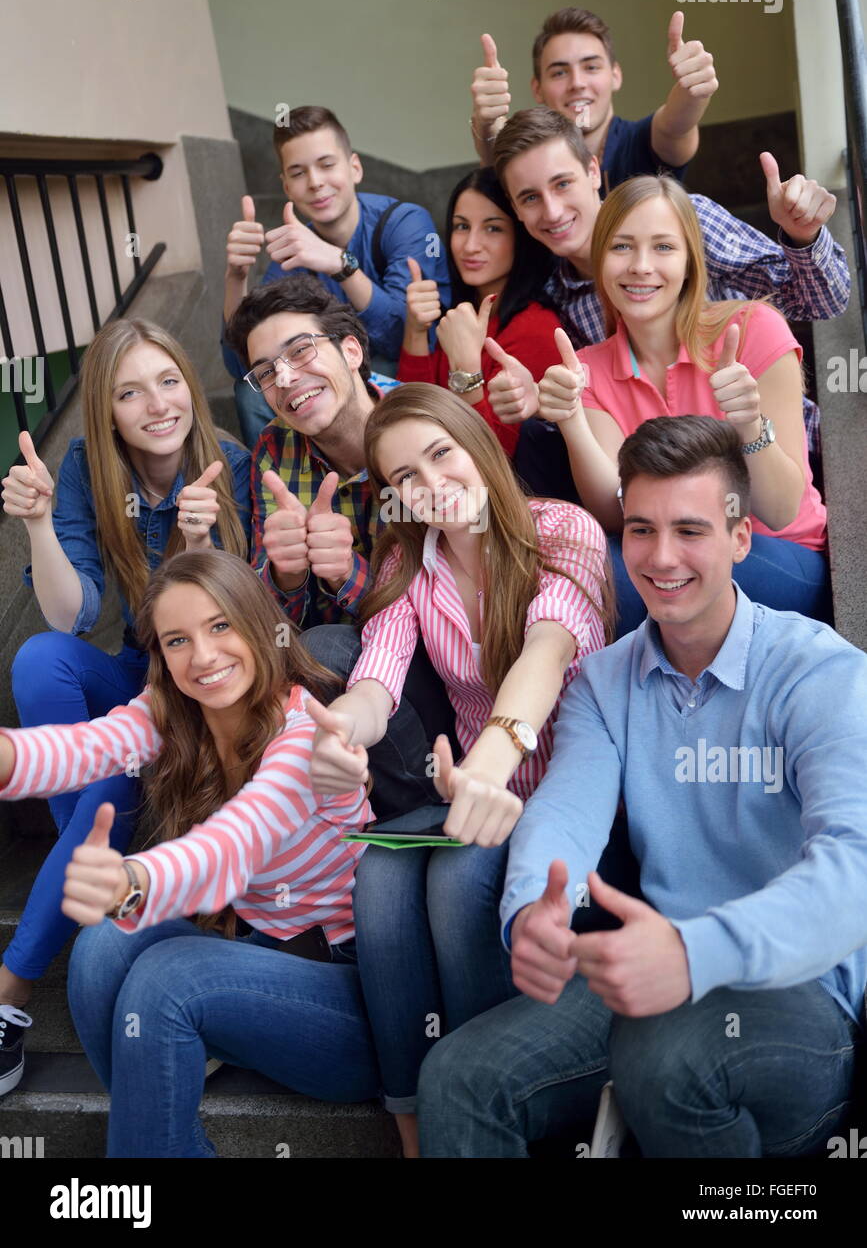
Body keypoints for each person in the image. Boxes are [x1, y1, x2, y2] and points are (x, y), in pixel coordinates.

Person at [417, 415, 867, 1160]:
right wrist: (533, 908)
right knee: (457, 1076)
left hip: (797, 991)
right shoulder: (602, 679)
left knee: (667, 1058)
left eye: (689, 530)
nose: (659, 559)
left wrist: (694, 952)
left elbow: (853, 873)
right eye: (639, 530)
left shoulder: (821, 673)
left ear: (740, 539)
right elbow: (565, 808)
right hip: (651, 972)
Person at [307, 383, 614, 1158]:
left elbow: (548, 649)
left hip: (574, 793)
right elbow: (377, 677)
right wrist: (341, 731)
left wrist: (490, 758)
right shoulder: (413, 563)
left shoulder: (561, 529)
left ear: (475, 441)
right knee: (377, 873)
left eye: (439, 453)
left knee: (455, 880)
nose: (430, 484)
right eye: (404, 477)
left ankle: (494, 1092)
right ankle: (415, 1120)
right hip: (474, 788)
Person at [0, 550, 382, 1153]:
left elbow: (231, 847)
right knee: (102, 945)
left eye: (220, 626)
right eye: (177, 640)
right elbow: (85, 747)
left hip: (348, 1007)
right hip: (250, 970)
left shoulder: (305, 736)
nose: (203, 657)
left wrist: (132, 880)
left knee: (165, 978)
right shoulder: (174, 717)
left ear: (259, 624)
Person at [0, 319, 251, 1075]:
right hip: (139, 679)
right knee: (44, 661)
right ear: (106, 411)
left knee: (111, 769)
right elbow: (69, 614)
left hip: (207, 696)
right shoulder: (85, 468)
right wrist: (40, 524)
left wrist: (199, 548)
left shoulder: (231, 463)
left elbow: (231, 638)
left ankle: (10, 991)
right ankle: (97, 862)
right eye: (129, 391)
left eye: (170, 380)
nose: (157, 404)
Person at [526, 173, 832, 631]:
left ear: (691, 262)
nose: (641, 266)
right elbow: (615, 512)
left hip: (777, 554)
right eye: (622, 247)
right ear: (600, 261)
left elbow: (781, 509)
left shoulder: (754, 329)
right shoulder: (586, 367)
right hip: (667, 553)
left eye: (664, 247)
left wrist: (748, 426)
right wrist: (571, 422)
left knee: (608, 580)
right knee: (594, 565)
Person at [484, 107, 848, 467]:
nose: (552, 211)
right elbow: (600, 414)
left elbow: (823, 304)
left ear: (593, 171)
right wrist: (538, 401)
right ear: (515, 209)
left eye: (562, 183)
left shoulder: (682, 219)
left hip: (783, 455)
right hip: (671, 484)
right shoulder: (555, 296)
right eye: (530, 197)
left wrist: (804, 236)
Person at [225, 275, 459, 823]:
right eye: (266, 372)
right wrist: (286, 574)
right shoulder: (275, 449)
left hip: (448, 661)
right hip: (355, 685)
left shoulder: (421, 423)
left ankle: (430, 804)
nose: (286, 379)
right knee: (306, 650)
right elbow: (279, 625)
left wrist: (348, 574)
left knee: (326, 647)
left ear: (351, 349)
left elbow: (451, 597)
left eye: (301, 351)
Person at [221, 105, 450, 445]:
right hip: (334, 375)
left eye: (327, 165)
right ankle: (284, 487)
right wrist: (236, 277)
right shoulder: (295, 251)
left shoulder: (405, 223)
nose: (315, 182)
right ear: (286, 187)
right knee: (253, 393)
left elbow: (403, 338)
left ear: (354, 167)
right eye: (298, 173)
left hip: (420, 375)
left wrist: (339, 264)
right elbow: (245, 364)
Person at [398, 166, 561, 456]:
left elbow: (494, 457)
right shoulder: (462, 316)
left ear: (521, 237)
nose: (470, 246)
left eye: (493, 228)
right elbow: (412, 413)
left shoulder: (536, 328)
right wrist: (416, 329)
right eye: (462, 226)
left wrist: (466, 372)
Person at [470, 6, 719, 190]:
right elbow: (496, 154)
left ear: (616, 76)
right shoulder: (530, 160)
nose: (577, 83)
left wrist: (693, 90)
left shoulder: (642, 141)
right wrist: (487, 122)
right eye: (559, 72)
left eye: (591, 67)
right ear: (538, 89)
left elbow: (676, 125)